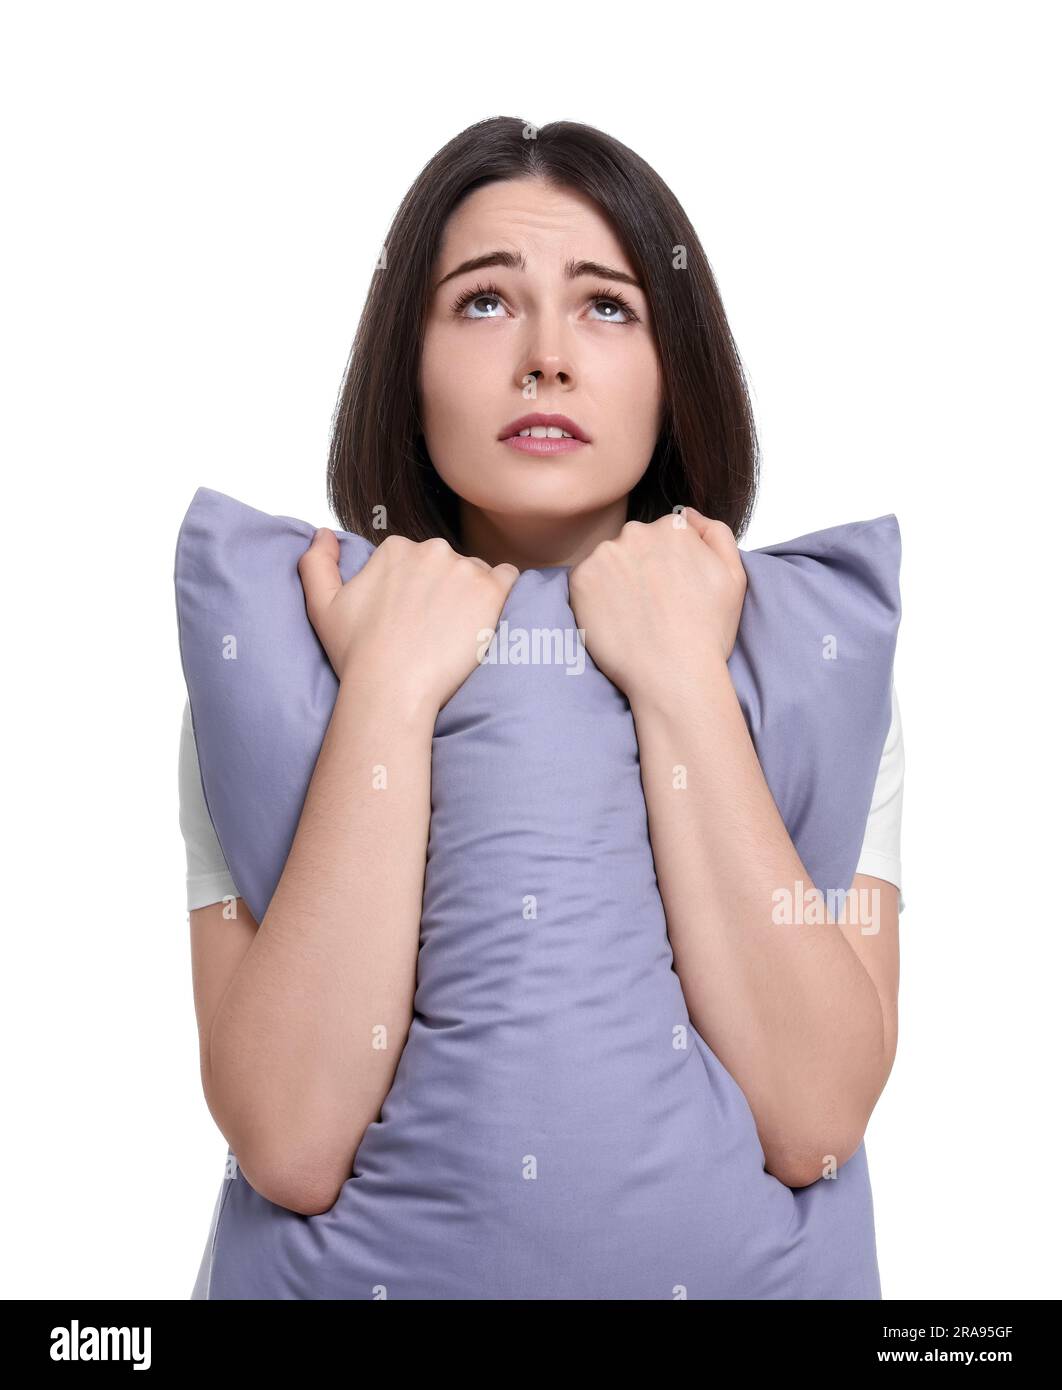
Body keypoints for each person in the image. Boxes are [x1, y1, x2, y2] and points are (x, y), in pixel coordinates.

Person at [178, 115, 904, 1297]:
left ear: (678, 372)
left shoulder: (805, 657)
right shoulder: (280, 655)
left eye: (609, 305)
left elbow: (816, 1117)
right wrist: (392, 690)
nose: (547, 357)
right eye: (482, 302)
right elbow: (290, 1143)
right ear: (404, 370)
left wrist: (678, 678)